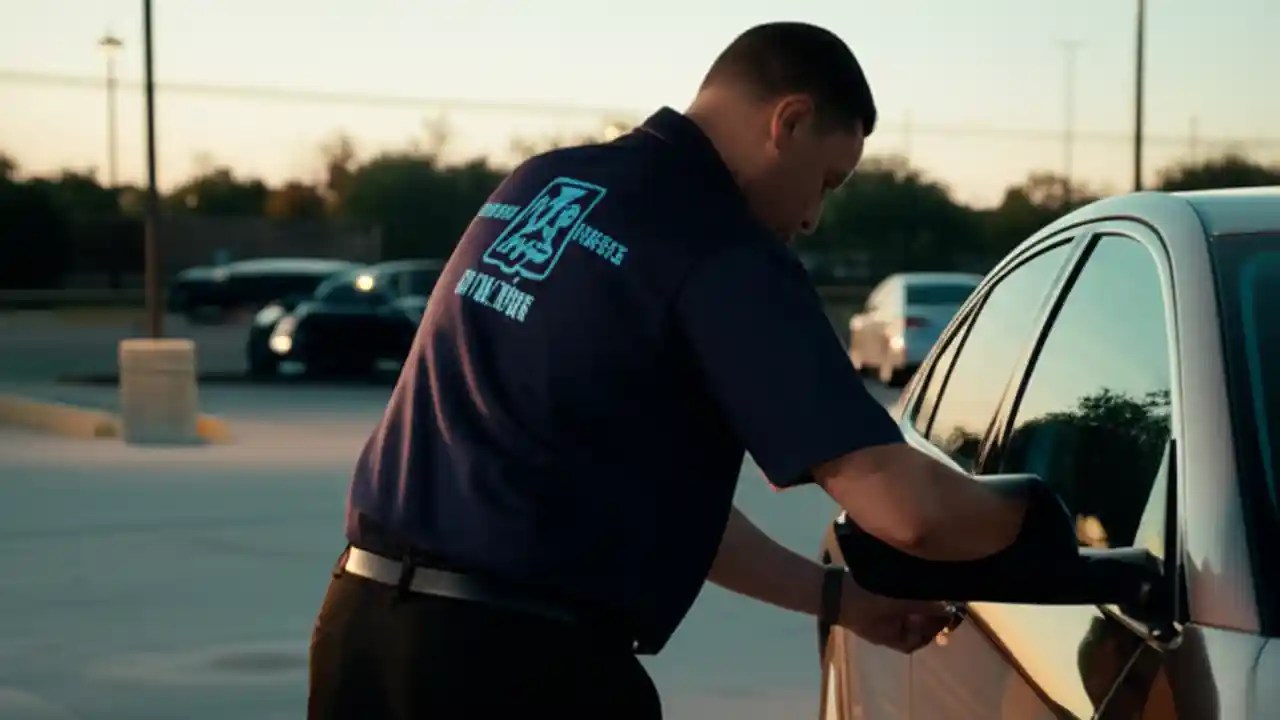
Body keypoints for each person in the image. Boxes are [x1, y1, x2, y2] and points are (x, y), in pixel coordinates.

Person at [307, 20, 1028, 719]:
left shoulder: (541, 185)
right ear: (791, 121)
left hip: (361, 633)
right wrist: (1041, 519)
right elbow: (910, 512)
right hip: (517, 672)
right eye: (828, 182)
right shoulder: (721, 246)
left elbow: (651, 509)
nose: (812, 217)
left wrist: (841, 600)